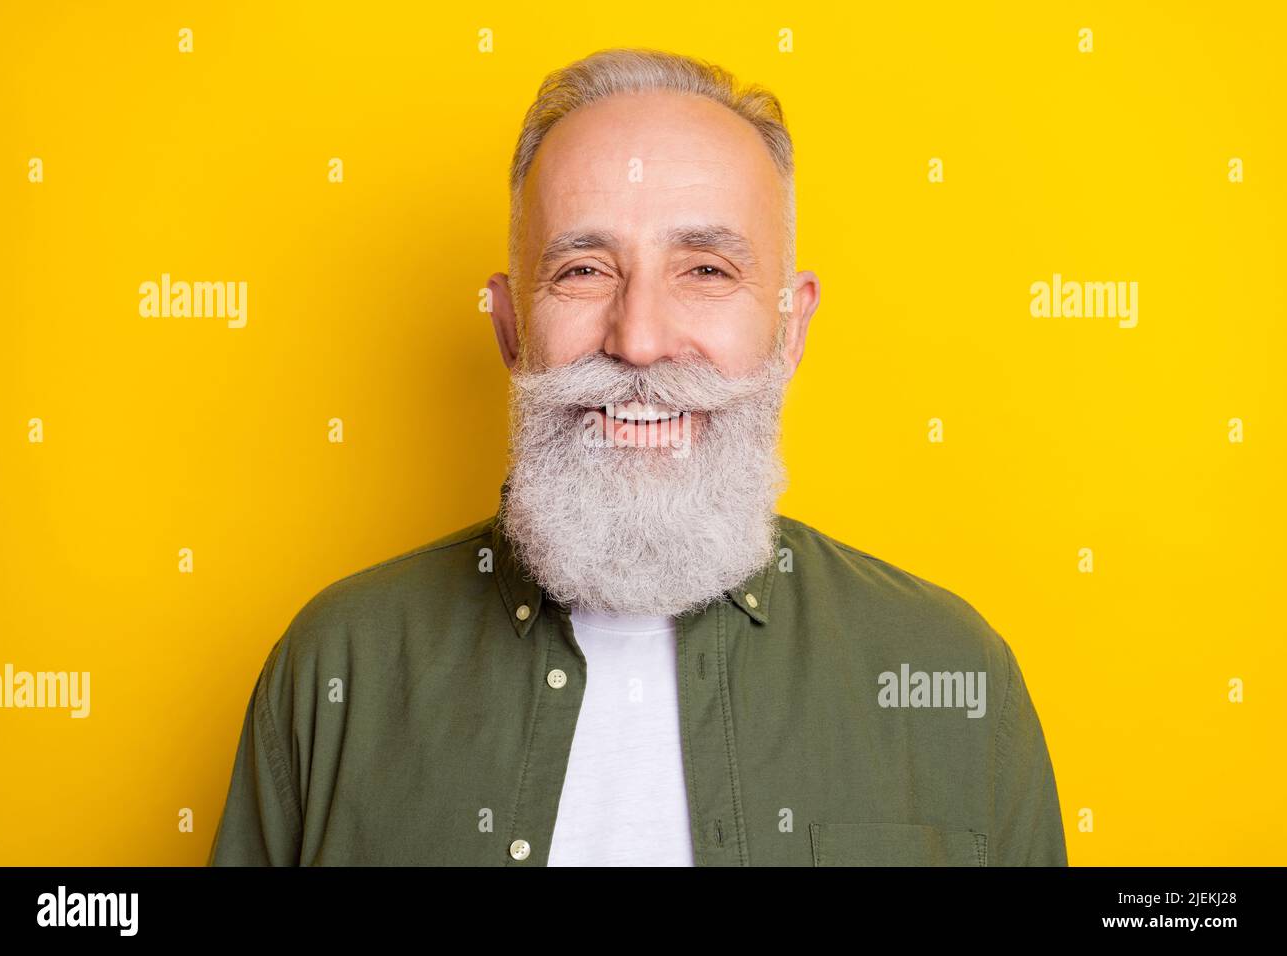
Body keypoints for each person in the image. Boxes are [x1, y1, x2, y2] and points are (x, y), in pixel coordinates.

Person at [208, 47, 1068, 866]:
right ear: (510, 327)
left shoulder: (954, 672)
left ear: (791, 328)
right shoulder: (337, 668)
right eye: (584, 271)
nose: (641, 340)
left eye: (705, 270)